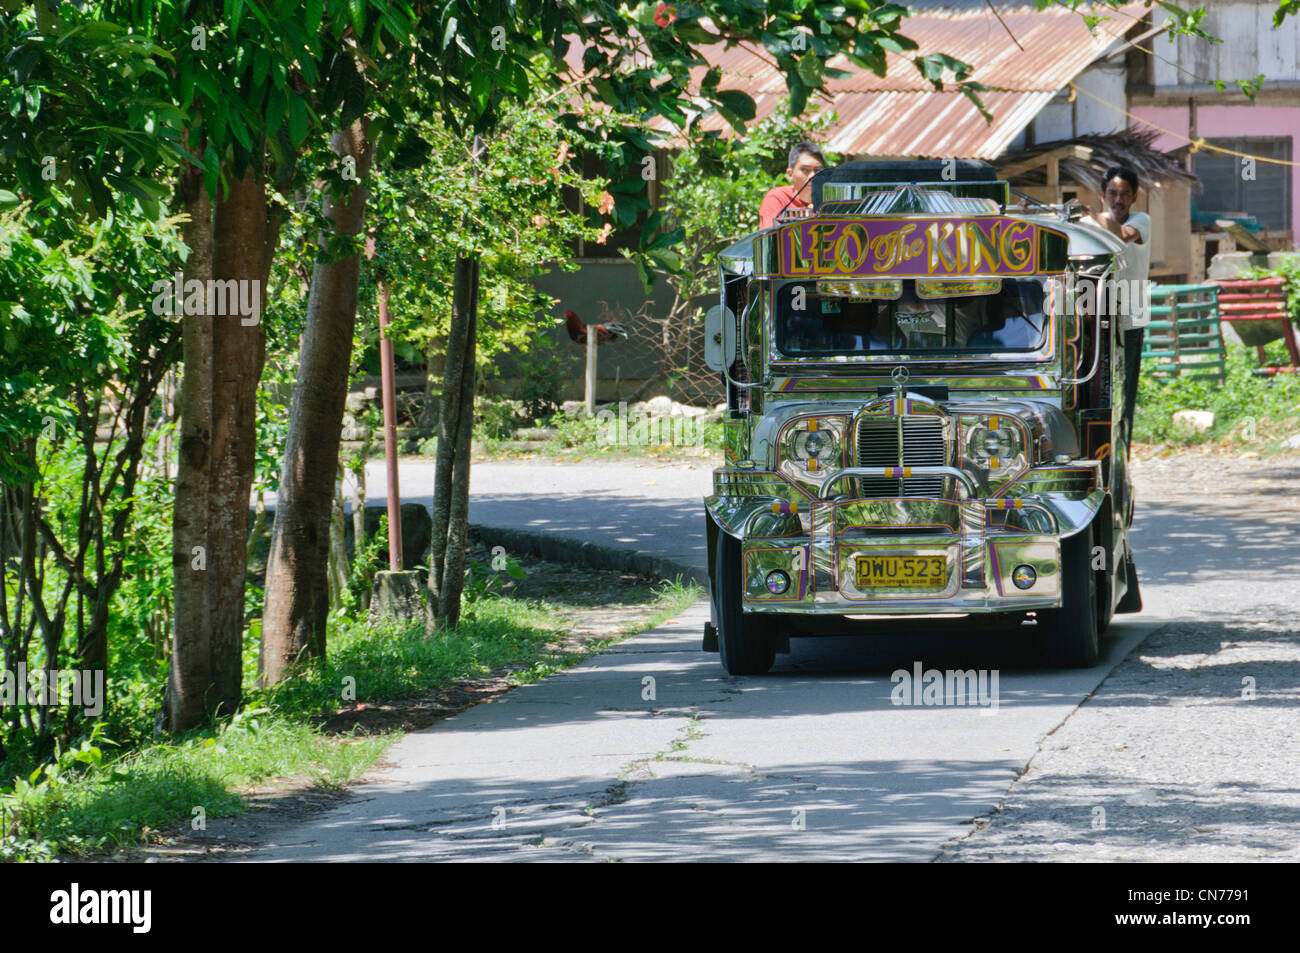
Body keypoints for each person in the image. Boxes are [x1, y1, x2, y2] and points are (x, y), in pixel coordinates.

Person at [1086, 166, 1151, 450]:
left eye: (1125, 194)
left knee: (1125, 391)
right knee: (1096, 390)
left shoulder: (1141, 220)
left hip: (1131, 321)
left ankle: (1122, 455)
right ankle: (1099, 451)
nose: (1118, 199)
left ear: (1134, 197)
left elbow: (1122, 234)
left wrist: (1091, 215)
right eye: (1112, 193)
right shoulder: (1089, 225)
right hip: (1096, 321)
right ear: (1102, 194)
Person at [759, 142, 826, 229]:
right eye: (805, 170)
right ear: (790, 174)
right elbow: (771, 237)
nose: (812, 176)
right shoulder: (777, 198)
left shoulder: (831, 200)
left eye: (818, 170)